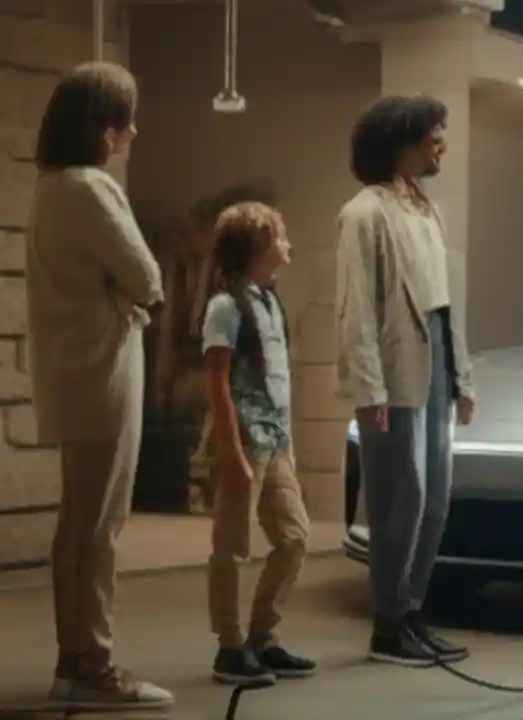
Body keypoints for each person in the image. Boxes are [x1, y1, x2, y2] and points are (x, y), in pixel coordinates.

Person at [24, 61, 172, 709]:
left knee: (77, 526)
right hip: (104, 371)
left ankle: (72, 660)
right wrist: (135, 300)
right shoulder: (91, 188)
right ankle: (94, 666)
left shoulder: (49, 187)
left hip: (71, 372)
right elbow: (147, 281)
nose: (133, 131)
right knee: (99, 528)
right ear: (102, 129)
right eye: (125, 120)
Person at [335, 94, 477, 666]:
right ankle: (388, 624)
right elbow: (356, 309)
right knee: (401, 496)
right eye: (431, 133)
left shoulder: (426, 210)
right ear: (400, 141)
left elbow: (444, 307)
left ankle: (411, 611)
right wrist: (369, 389)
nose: (440, 142)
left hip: (434, 360)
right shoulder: (364, 213)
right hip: (394, 370)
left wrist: (462, 375)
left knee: (434, 498)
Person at [195, 201, 316, 685]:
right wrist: (230, 449)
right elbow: (218, 381)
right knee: (232, 544)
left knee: (294, 536)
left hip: (276, 439)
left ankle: (263, 636)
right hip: (244, 437)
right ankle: (229, 645)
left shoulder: (270, 300)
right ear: (260, 247)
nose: (288, 244)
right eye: (281, 236)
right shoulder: (227, 306)